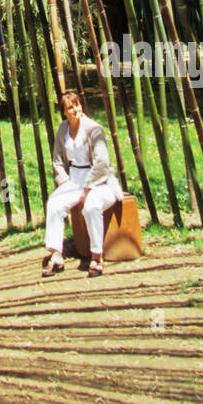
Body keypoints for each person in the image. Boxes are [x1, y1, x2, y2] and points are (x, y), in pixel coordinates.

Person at [42, 90, 122, 278]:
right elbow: (57, 160)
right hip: (74, 179)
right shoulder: (63, 129)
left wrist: (87, 188)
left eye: (77, 105)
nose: (75, 110)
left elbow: (102, 163)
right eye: (70, 107)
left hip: (99, 181)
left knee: (91, 206)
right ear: (64, 112)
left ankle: (96, 256)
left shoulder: (94, 129)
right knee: (54, 203)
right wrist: (64, 181)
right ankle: (56, 255)